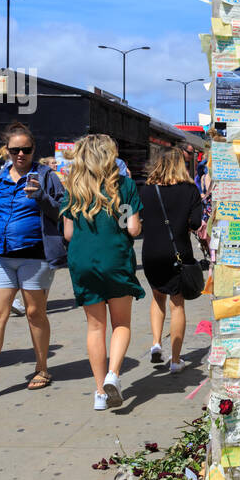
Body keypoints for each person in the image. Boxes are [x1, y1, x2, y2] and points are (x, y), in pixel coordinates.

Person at [0, 123, 65, 400]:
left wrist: (41, 197)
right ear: (7, 150)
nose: (21, 154)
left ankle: (42, 369)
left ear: (33, 150)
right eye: (15, 150)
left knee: (34, 314)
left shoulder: (47, 177)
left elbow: (62, 213)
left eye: (26, 150)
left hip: (35, 257)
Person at [59, 134, 144, 411]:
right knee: (121, 324)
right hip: (115, 259)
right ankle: (113, 375)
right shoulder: (124, 186)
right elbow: (131, 228)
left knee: (95, 327)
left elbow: (68, 234)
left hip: (83, 261)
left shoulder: (73, 188)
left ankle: (99, 393)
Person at [138, 148, 204, 373]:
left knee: (157, 298)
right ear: (180, 165)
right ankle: (175, 361)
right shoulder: (189, 190)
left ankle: (156, 343)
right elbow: (196, 223)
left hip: (150, 253)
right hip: (179, 253)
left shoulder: (146, 190)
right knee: (177, 305)